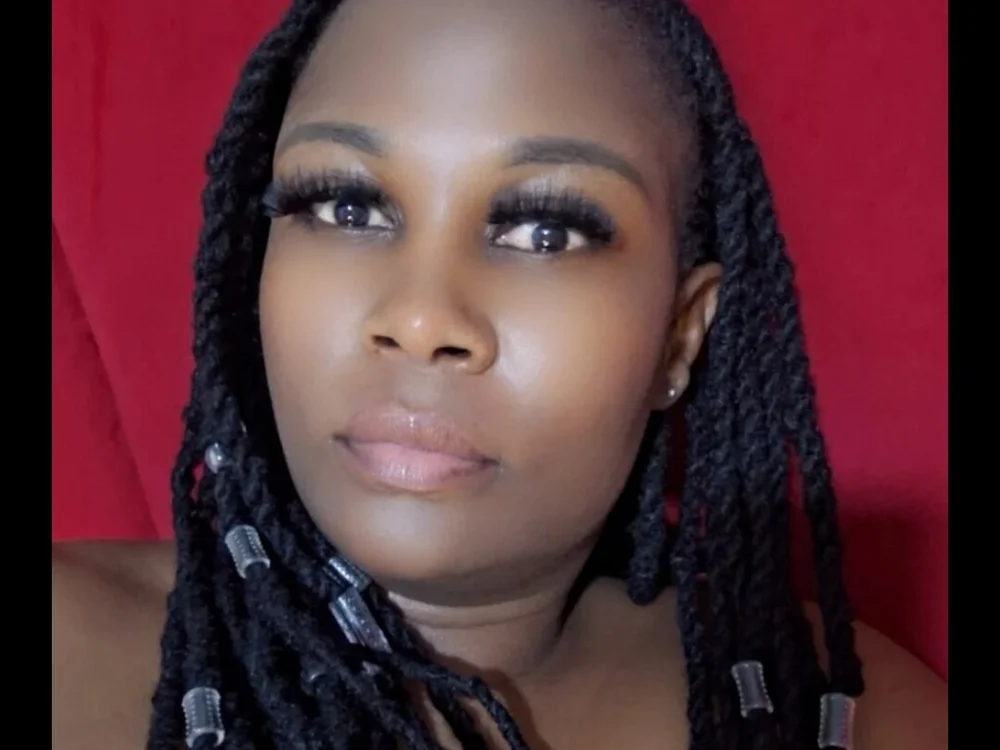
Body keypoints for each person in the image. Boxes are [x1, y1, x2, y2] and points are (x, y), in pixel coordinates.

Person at [51, 0, 948, 748]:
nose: (420, 319)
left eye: (545, 231)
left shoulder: (850, 716)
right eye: (347, 206)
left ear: (679, 337)